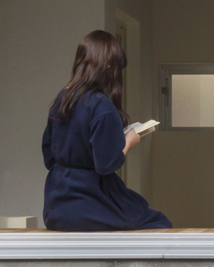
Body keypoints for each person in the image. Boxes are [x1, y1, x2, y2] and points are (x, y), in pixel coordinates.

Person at [41, 29, 171, 231]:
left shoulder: (61, 100)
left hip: (55, 209)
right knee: (159, 222)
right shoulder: (101, 106)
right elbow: (106, 165)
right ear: (109, 65)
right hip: (91, 204)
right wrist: (128, 141)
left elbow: (49, 158)